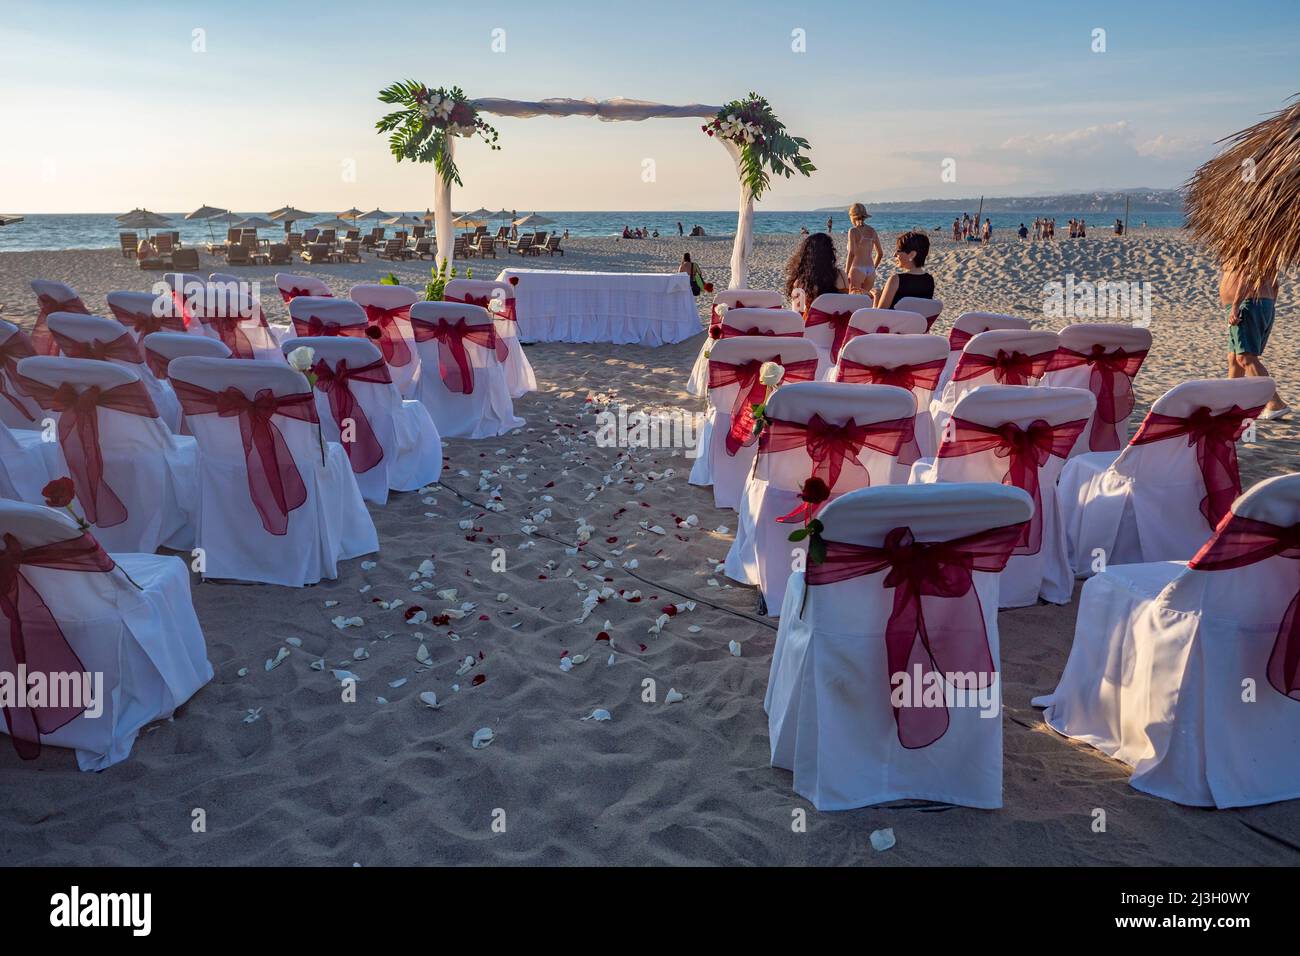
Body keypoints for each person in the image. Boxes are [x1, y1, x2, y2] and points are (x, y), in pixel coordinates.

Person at [1220, 257, 1288, 418]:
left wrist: (1236, 305)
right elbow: (1275, 284)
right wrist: (1269, 305)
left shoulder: (1246, 243)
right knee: (1234, 358)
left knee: (1245, 357)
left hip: (1248, 303)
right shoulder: (1261, 245)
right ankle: (1231, 404)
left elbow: (1248, 273)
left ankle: (1275, 403)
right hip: (1257, 303)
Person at [784, 232, 847, 315]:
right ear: (830, 253)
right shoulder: (841, 276)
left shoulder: (800, 283)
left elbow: (797, 316)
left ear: (805, 256)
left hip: (811, 327)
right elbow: (845, 306)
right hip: (837, 326)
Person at [875, 231, 935, 310]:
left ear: (912, 254)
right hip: (916, 322)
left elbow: (878, 315)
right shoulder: (929, 280)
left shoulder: (896, 280)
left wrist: (877, 296)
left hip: (893, 322)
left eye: (898, 250)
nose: (894, 254)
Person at [844, 203, 883, 296]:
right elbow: (880, 253)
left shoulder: (853, 231)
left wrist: (846, 272)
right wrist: (873, 268)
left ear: (852, 216)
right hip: (870, 270)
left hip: (857, 269)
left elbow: (852, 253)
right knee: (864, 300)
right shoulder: (872, 231)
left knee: (853, 299)